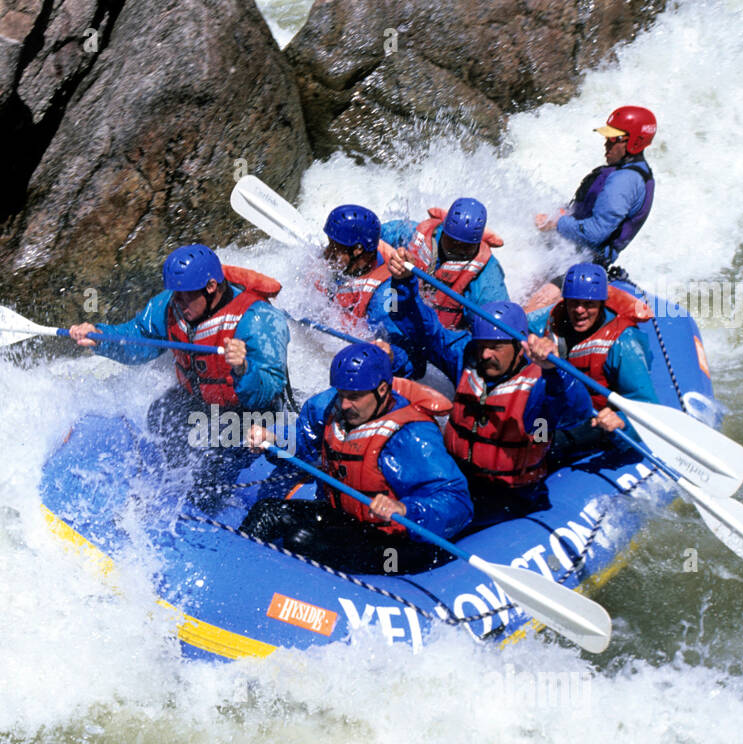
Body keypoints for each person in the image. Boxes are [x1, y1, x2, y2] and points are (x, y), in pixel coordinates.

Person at [69, 243, 291, 488]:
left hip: (251, 412)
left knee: (209, 479)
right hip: (203, 402)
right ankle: (176, 479)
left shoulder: (259, 318)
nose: (178, 302)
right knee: (161, 413)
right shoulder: (172, 305)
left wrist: (242, 368)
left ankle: (212, 494)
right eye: (176, 293)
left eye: (186, 295)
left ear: (211, 287)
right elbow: (138, 337)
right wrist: (100, 337)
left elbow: (268, 391)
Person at [240, 342, 472, 574]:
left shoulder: (412, 436)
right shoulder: (337, 407)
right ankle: (235, 573)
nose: (344, 404)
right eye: (341, 395)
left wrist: (404, 508)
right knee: (267, 512)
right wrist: (275, 439)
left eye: (354, 397)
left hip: (394, 545)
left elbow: (457, 502)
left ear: (381, 390)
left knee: (303, 540)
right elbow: (304, 439)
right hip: (346, 520)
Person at [393, 282, 598, 520]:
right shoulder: (467, 357)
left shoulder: (540, 384)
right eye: (482, 345)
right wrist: (404, 284)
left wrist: (554, 370)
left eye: (496, 347)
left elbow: (577, 410)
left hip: (509, 493)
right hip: (456, 475)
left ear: (519, 346)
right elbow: (427, 331)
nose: (486, 354)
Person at [525, 262, 654, 459]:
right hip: (555, 409)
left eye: (589, 304)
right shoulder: (554, 317)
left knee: (548, 445)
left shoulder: (623, 342)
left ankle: (540, 455)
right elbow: (522, 326)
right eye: (573, 303)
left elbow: (647, 408)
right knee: (533, 433)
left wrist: (621, 422)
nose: (579, 310)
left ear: (601, 303)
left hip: (593, 420)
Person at [535, 106, 657, 268]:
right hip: (570, 255)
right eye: (607, 138)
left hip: (583, 265)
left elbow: (595, 233)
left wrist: (556, 223)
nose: (606, 144)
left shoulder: (625, 180)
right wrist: (562, 214)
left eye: (613, 139)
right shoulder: (624, 172)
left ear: (635, 141)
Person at [317, 204, 422, 378]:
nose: (326, 253)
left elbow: (409, 360)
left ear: (358, 250)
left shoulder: (384, 295)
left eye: (334, 247)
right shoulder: (346, 261)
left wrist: (391, 357)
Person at [389, 197, 510, 330]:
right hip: (403, 313)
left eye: (465, 246)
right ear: (444, 232)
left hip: (442, 335)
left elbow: (494, 325)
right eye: (452, 242)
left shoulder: (487, 276)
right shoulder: (419, 234)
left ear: (476, 243)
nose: (457, 249)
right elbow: (376, 235)